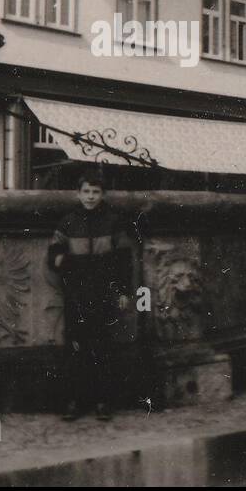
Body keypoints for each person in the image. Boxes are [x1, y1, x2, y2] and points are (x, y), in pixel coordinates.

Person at [47, 170, 142, 421]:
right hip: (76, 294)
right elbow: (53, 254)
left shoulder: (114, 222)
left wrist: (123, 291)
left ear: (103, 194)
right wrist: (66, 262)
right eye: (86, 192)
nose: (90, 197)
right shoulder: (67, 223)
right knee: (76, 347)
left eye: (95, 192)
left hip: (103, 293)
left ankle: (103, 401)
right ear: (78, 194)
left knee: (103, 346)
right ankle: (75, 401)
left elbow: (124, 260)